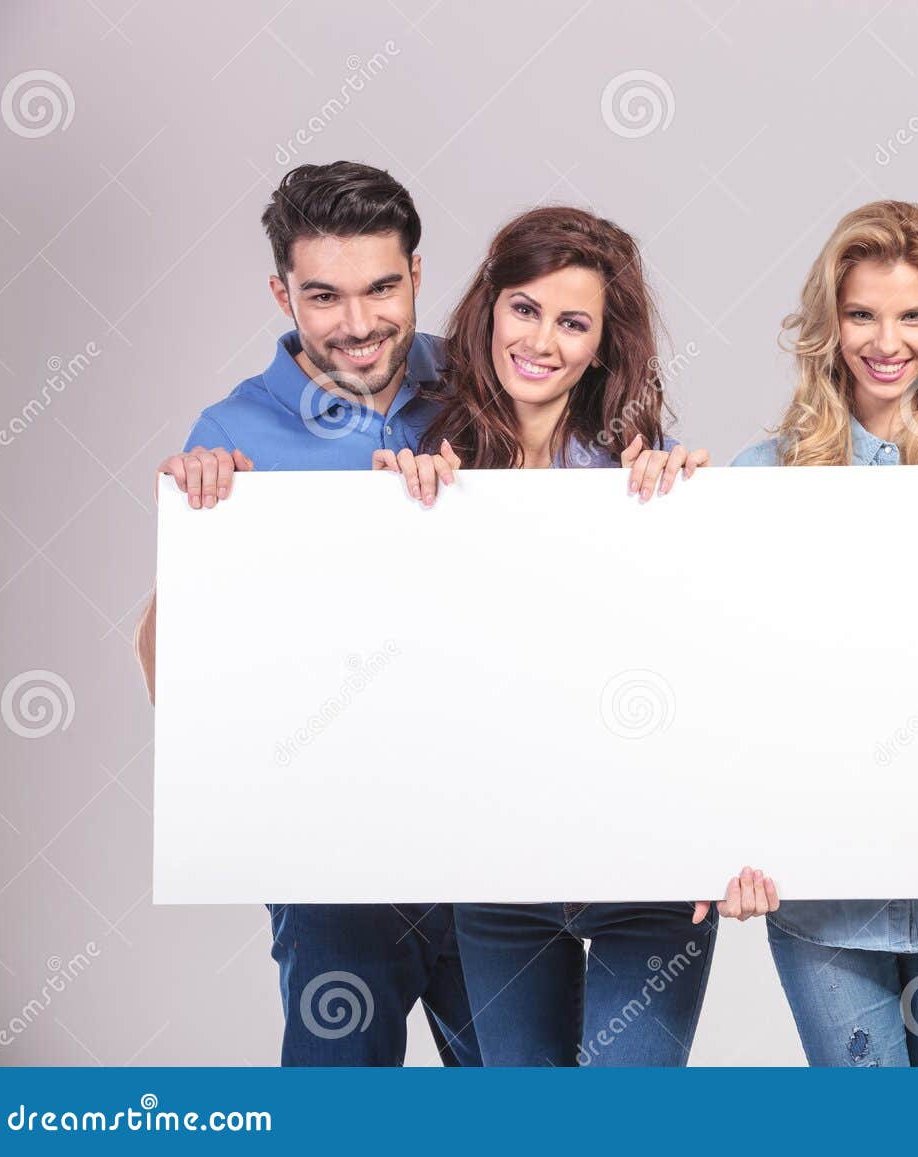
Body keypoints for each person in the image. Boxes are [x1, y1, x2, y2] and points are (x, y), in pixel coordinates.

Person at [375, 205, 748, 1066]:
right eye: (525, 308)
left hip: (645, 868)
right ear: (489, 310)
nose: (541, 340)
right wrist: (399, 513)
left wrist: (693, 508)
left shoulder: (649, 477)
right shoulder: (424, 464)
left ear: (601, 345)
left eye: (572, 321)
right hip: (502, 872)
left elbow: (709, 673)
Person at [138, 161, 481, 1066]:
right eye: (323, 296)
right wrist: (197, 557)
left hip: (490, 837)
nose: (359, 324)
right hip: (330, 860)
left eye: (381, 288)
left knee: (518, 1103)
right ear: (281, 292)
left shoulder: (485, 385)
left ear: (417, 274)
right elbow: (175, 674)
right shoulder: (232, 431)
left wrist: (662, 475)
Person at [730, 200, 918, 1067]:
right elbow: (731, 677)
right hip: (823, 889)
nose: (885, 340)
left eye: (912, 315)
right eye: (862, 313)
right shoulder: (764, 478)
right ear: (830, 323)